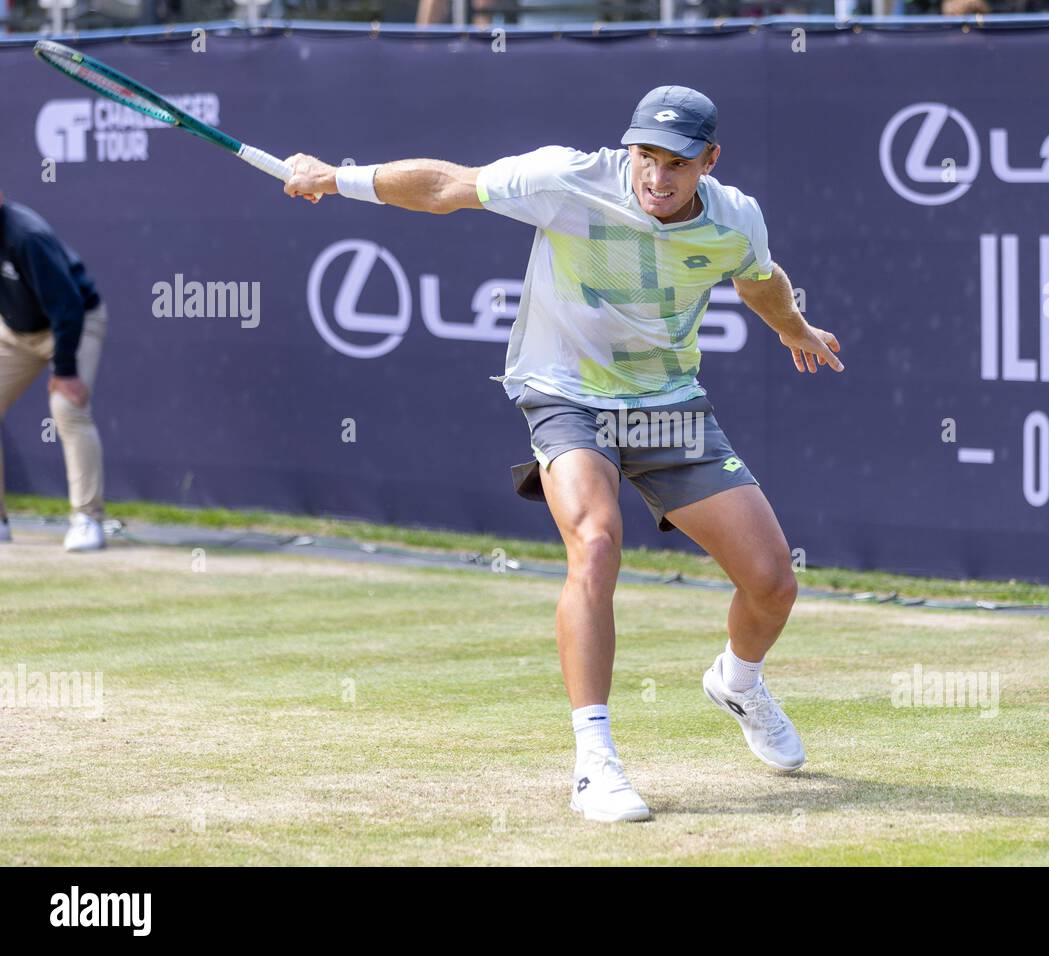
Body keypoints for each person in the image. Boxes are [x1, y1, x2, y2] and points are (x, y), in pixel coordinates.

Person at [282, 85, 844, 822]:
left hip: (669, 408)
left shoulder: (737, 217)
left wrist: (793, 327)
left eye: (677, 163)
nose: (657, 177)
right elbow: (449, 186)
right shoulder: (565, 179)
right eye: (646, 156)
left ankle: (738, 681)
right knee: (597, 541)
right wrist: (334, 177)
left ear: (709, 161)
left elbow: (757, 276)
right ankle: (596, 763)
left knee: (773, 583)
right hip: (566, 394)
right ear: (628, 148)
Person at [0, 191, 108, 552]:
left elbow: (68, 307)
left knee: (68, 408)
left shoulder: (27, 236)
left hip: (74, 321)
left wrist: (65, 371)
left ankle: (87, 519)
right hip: (16, 331)